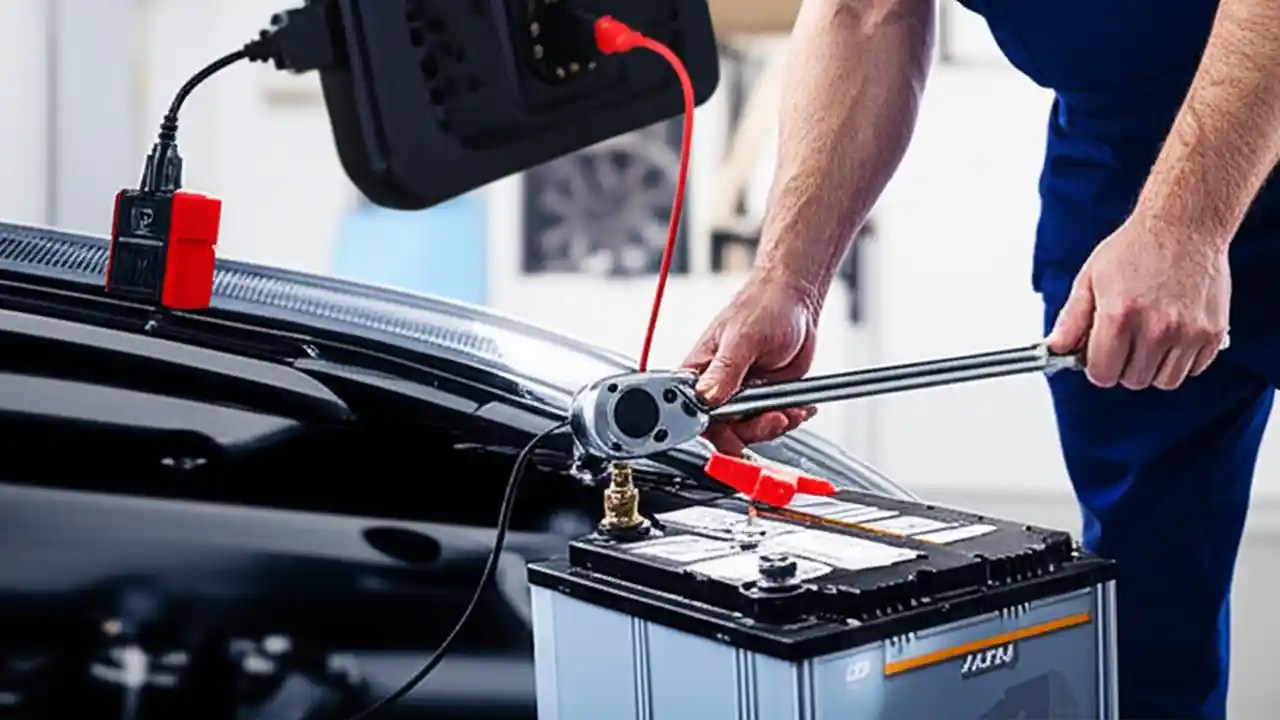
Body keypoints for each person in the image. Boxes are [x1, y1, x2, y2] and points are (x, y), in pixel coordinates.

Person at [683, 1, 1280, 717]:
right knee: (1144, 617)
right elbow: (863, 12)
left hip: (1223, 125)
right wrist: (788, 281)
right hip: (1121, 170)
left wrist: (1185, 224)